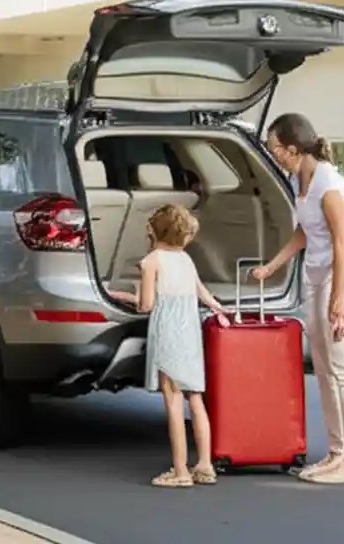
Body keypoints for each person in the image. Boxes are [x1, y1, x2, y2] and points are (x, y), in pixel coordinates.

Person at [252, 112, 344, 484]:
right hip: (315, 277)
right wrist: (272, 266)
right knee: (323, 370)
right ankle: (335, 453)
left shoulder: (329, 185)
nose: (273, 156)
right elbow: (305, 231)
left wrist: (340, 299)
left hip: (340, 276)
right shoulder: (299, 179)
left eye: (275, 150)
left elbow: (343, 243)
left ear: (292, 149)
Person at [107, 204, 231, 487]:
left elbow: (146, 305)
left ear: (154, 230)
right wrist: (220, 308)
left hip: (168, 335)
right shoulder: (186, 260)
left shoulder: (152, 261)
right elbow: (205, 296)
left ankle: (180, 471)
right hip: (190, 336)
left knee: (173, 402)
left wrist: (127, 295)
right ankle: (204, 465)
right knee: (195, 399)